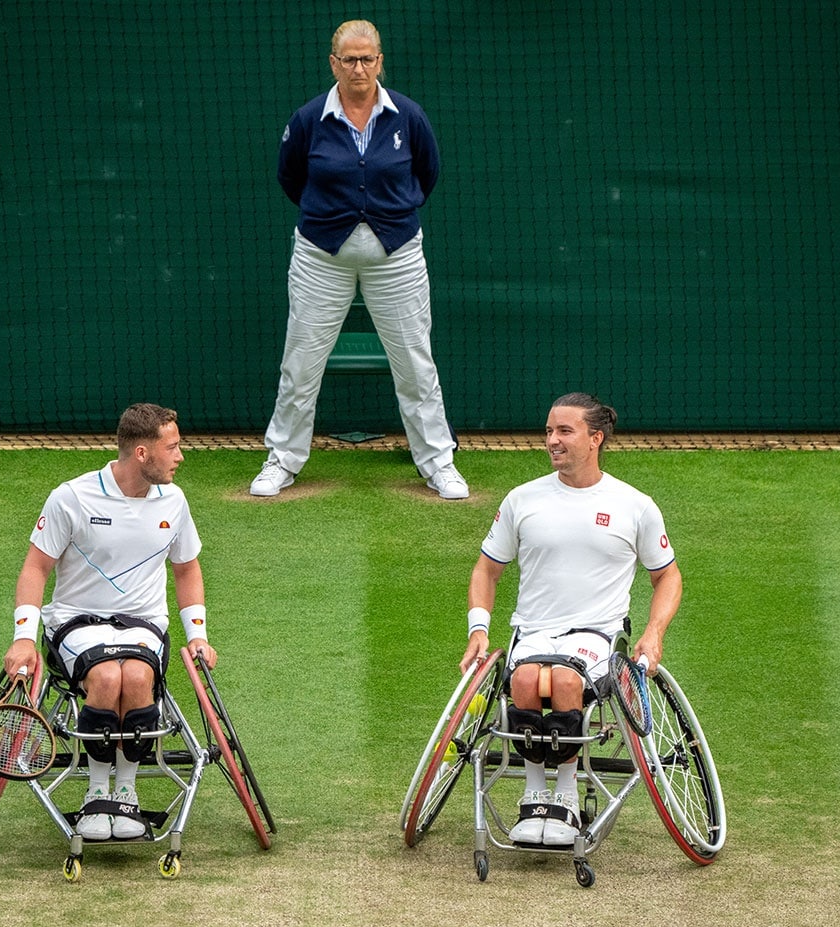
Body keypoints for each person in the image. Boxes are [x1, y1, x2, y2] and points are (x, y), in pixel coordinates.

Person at [251, 19, 467, 500]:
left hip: (398, 255)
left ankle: (437, 462)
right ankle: (282, 461)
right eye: (348, 59)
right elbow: (291, 177)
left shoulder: (408, 116)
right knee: (300, 362)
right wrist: (333, 220)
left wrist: (386, 219)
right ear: (334, 63)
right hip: (320, 256)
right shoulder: (309, 118)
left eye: (367, 58)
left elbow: (426, 174)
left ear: (380, 60)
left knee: (415, 362)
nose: (358, 67)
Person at [459, 393, 683, 847]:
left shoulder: (634, 505)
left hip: (596, 635)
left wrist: (654, 634)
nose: (552, 441)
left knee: (563, 681)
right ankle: (533, 794)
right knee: (523, 681)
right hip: (534, 630)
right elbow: (487, 569)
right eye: (548, 431)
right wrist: (478, 629)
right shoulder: (523, 500)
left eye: (564, 431)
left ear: (595, 438)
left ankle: (562, 799)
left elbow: (668, 576)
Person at [3, 403, 217, 842]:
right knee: (104, 678)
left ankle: (126, 792)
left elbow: (187, 569)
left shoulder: (174, 501)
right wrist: (24, 639)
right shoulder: (72, 497)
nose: (181, 456)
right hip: (76, 625)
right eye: (172, 447)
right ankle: (96, 792)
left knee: (137, 677)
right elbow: (35, 569)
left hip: (142, 625)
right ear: (142, 453)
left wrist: (198, 636)